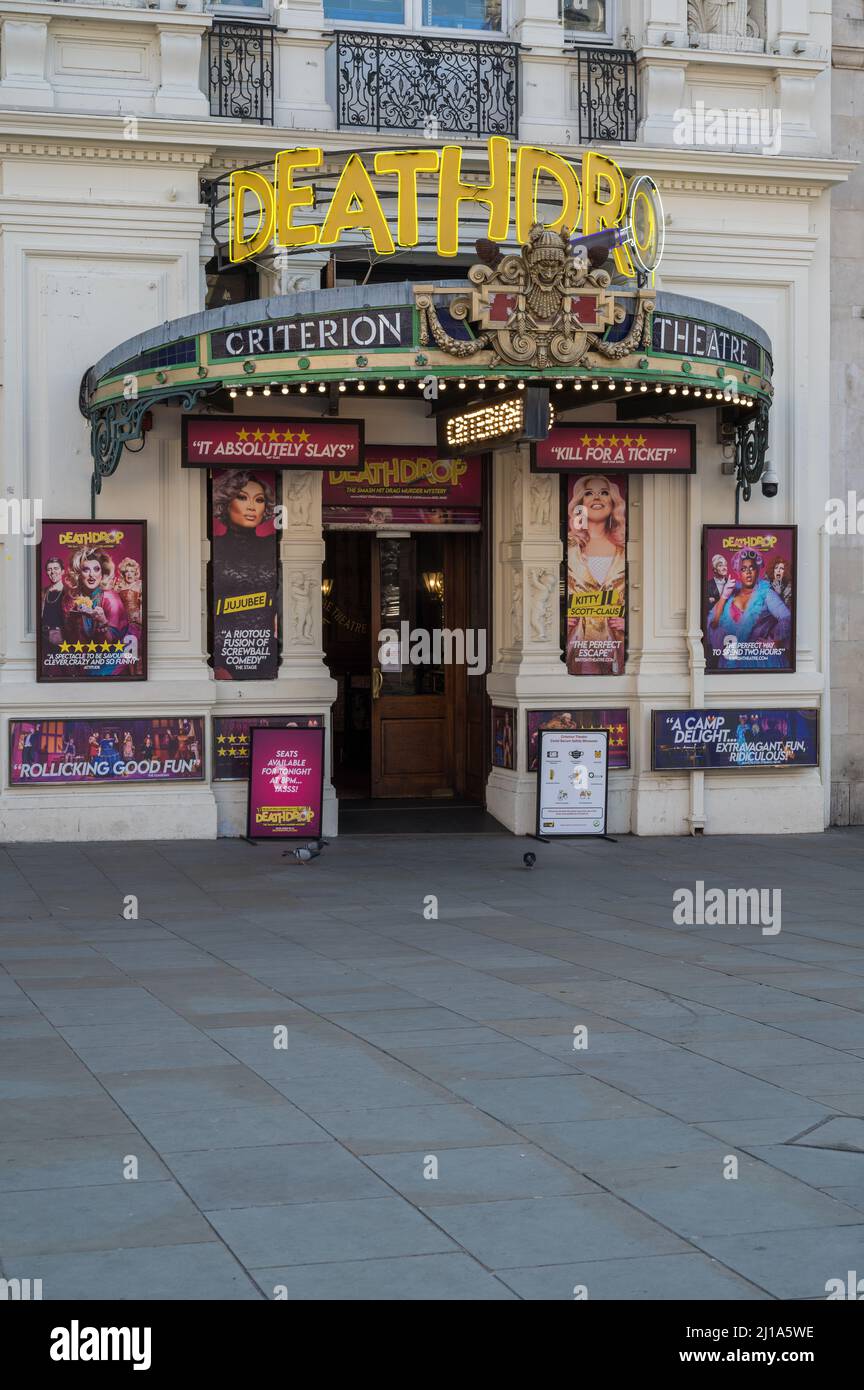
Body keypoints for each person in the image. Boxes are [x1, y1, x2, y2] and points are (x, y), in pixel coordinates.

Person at [211, 470, 278, 680]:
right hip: (224, 658)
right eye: (242, 497)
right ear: (226, 502)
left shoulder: (274, 547)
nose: (252, 507)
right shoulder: (213, 547)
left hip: (268, 655)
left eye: (259, 500)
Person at [566, 474, 626, 675]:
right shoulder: (568, 546)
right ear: (581, 502)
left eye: (604, 493)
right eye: (589, 493)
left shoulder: (624, 547)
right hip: (576, 644)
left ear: (612, 502)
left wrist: (630, 622)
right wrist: (560, 619)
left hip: (614, 644)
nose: (597, 498)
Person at [707, 547, 791, 670]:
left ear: (757, 571)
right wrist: (724, 597)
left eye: (752, 568)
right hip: (731, 660)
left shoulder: (766, 593)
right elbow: (713, 623)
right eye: (743, 569)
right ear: (738, 572)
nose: (748, 572)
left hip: (760, 661)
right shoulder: (730, 594)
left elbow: (788, 618)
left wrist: (775, 643)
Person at [65, 546, 132, 677]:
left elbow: (109, 642)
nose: (92, 575)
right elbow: (71, 636)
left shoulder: (110, 599)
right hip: (87, 664)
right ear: (79, 574)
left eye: (96, 569)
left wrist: (102, 622)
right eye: (86, 570)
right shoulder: (75, 599)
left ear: (102, 574)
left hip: (112, 665)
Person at [41, 556, 67, 654]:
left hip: (59, 635)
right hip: (43, 635)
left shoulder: (68, 592)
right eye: (49, 569)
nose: (52, 572)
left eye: (56, 568)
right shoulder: (43, 592)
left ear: (63, 571)